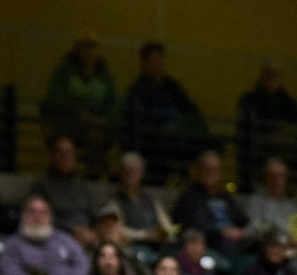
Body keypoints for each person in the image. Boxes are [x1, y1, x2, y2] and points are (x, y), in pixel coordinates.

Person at [123, 42, 204, 180]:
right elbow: (137, 118)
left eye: (160, 60)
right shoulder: (137, 90)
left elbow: (191, 110)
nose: (157, 64)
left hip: (176, 136)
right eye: (153, 60)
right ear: (144, 63)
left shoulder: (171, 85)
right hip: (153, 141)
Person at [41, 34, 119, 168]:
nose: (89, 53)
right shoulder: (63, 71)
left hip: (96, 125)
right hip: (68, 123)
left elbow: (112, 104)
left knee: (99, 136)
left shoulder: (105, 75)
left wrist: (101, 118)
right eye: (85, 48)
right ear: (77, 50)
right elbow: (55, 99)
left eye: (92, 48)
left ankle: (93, 172)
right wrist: (78, 111)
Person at [172, 149, 250, 253]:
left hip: (233, 240)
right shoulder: (189, 196)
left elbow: (243, 220)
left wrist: (240, 232)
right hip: (210, 244)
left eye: (215, 169)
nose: (211, 173)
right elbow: (196, 225)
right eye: (207, 169)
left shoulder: (224, 196)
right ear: (198, 170)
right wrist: (222, 232)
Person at [236, 66, 297, 177]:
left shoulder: (289, 102)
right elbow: (245, 127)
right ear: (261, 77)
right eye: (269, 75)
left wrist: (284, 134)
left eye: (276, 75)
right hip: (258, 148)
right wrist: (269, 136)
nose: (272, 79)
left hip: (285, 149)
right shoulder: (249, 99)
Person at [32, 135, 95, 240]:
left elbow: (92, 214)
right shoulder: (41, 186)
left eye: (70, 153)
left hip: (88, 235)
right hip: (58, 237)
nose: (67, 157)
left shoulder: (81, 185)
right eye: (62, 153)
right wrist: (71, 230)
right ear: (52, 156)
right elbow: (40, 219)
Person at [113, 151, 171, 243]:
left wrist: (166, 233)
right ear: (122, 174)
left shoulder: (151, 200)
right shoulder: (115, 200)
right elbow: (117, 230)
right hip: (130, 247)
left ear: (141, 174)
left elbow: (167, 226)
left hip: (155, 246)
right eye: (128, 171)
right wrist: (144, 235)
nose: (131, 175)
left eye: (135, 171)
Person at [245, 157, 297, 237]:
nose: (277, 180)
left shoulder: (291, 206)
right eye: (273, 175)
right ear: (265, 178)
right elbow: (253, 230)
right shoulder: (256, 201)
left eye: (281, 176)